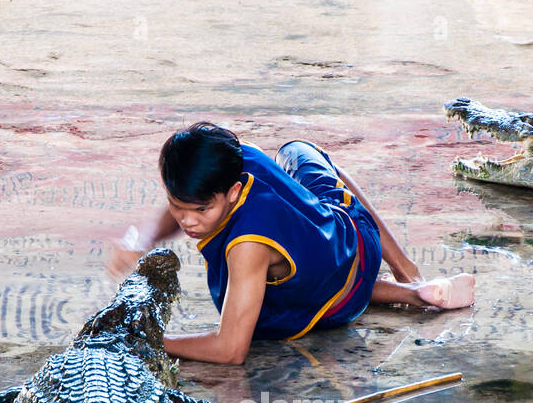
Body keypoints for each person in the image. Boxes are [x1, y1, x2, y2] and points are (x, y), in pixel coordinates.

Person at [104, 123, 475, 364]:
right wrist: (144, 240)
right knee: (304, 158)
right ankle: (410, 285)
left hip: (335, 291)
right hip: (342, 260)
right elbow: (190, 201)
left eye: (202, 209)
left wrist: (154, 340)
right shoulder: (241, 156)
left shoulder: (247, 247)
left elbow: (231, 350)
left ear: (233, 192)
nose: (188, 222)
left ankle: (405, 280)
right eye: (176, 206)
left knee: (301, 148)